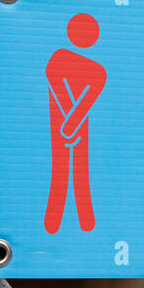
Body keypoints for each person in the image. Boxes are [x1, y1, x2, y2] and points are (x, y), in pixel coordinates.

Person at [45, 13, 105, 233]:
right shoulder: (64, 60)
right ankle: (68, 223)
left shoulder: (95, 70)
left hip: (70, 125)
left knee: (74, 172)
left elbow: (83, 99)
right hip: (70, 126)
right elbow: (61, 89)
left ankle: (81, 223)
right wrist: (71, 124)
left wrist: (70, 124)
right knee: (69, 171)